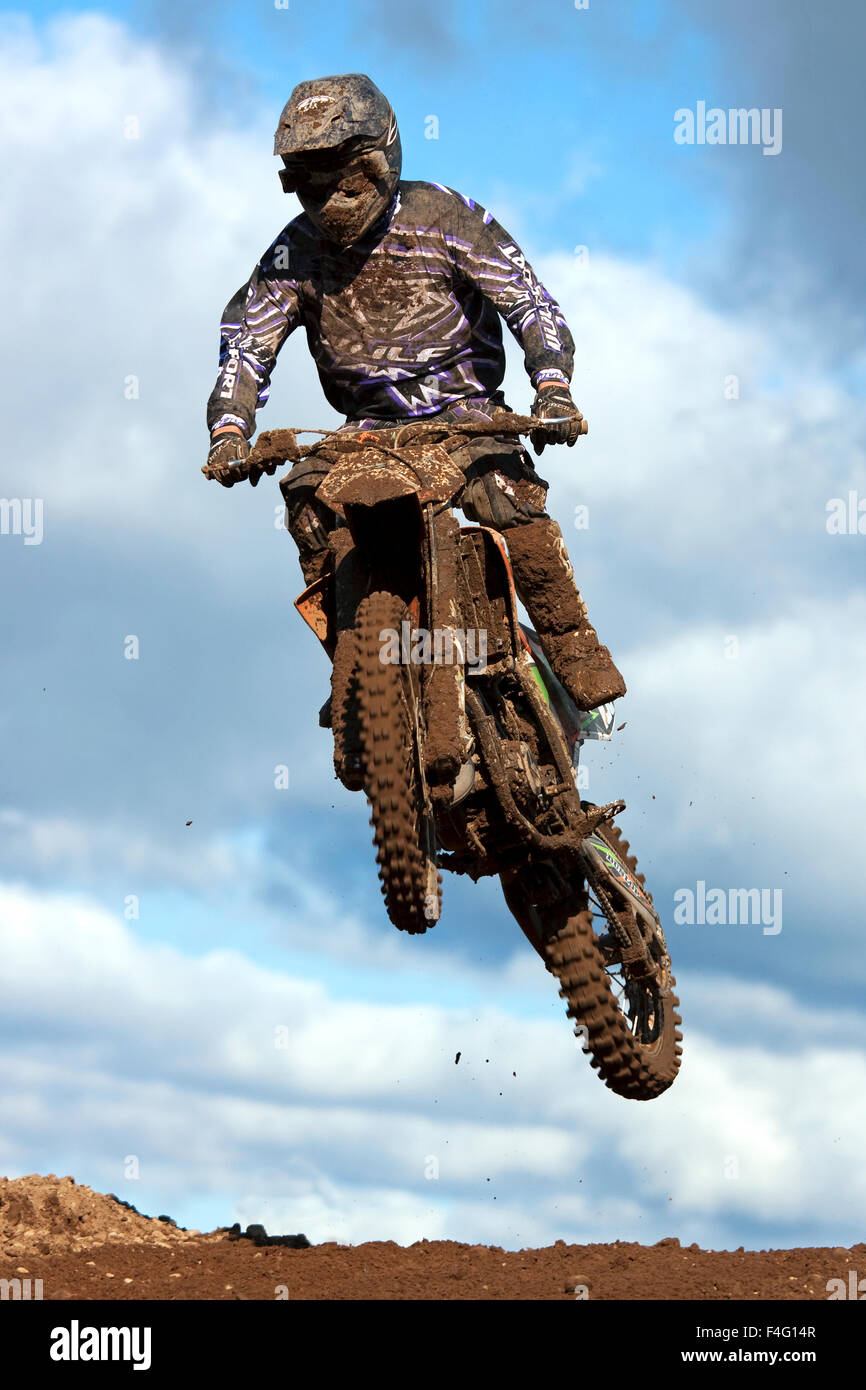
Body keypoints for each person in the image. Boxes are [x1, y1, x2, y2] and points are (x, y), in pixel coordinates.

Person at [206, 74, 625, 710]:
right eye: (311, 184)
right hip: (368, 432)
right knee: (309, 506)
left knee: (511, 499)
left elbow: (529, 303)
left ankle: (574, 647)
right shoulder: (292, 255)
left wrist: (553, 391)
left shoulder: (446, 217)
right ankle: (355, 667)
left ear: (383, 159)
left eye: (345, 178)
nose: (332, 200)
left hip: (470, 421)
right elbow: (247, 346)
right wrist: (230, 432)